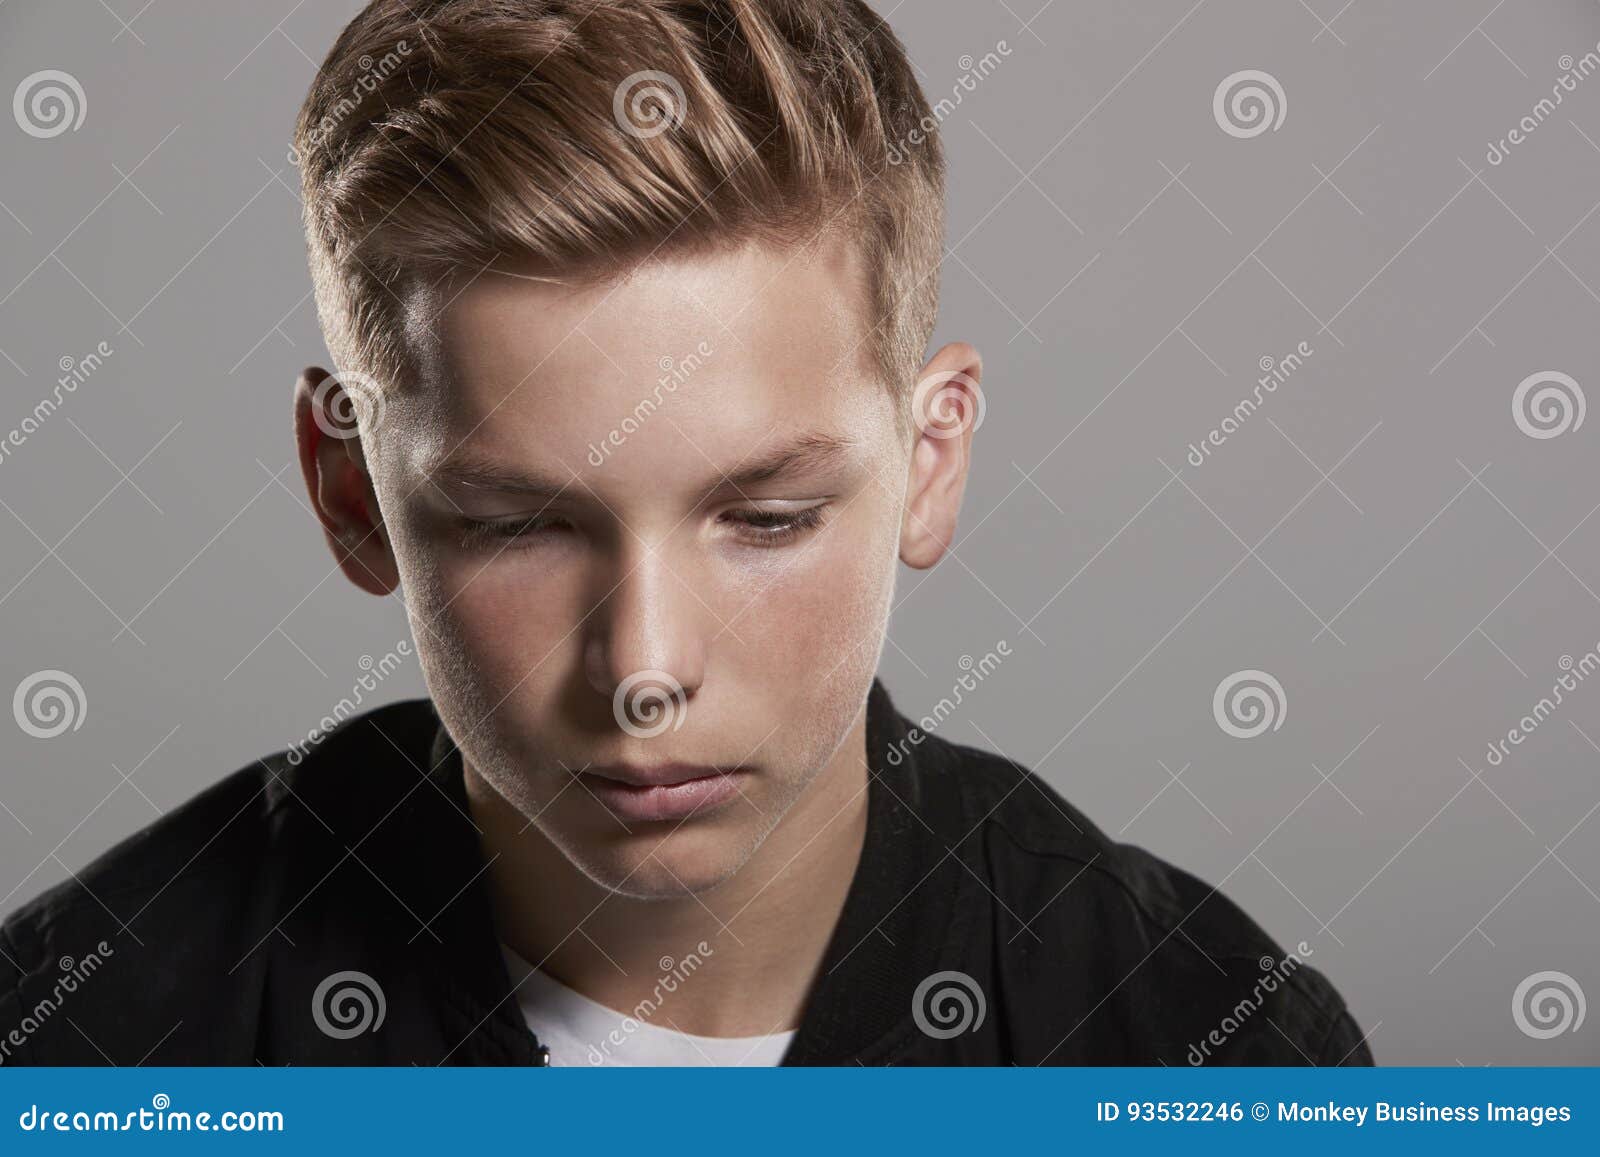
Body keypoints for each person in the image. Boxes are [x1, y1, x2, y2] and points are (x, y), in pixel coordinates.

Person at [0, 0, 1371, 1067]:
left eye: (766, 518)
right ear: (352, 492)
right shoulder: (79, 1035)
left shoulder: (1210, 1045)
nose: (646, 668)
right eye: (521, 524)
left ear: (931, 457)